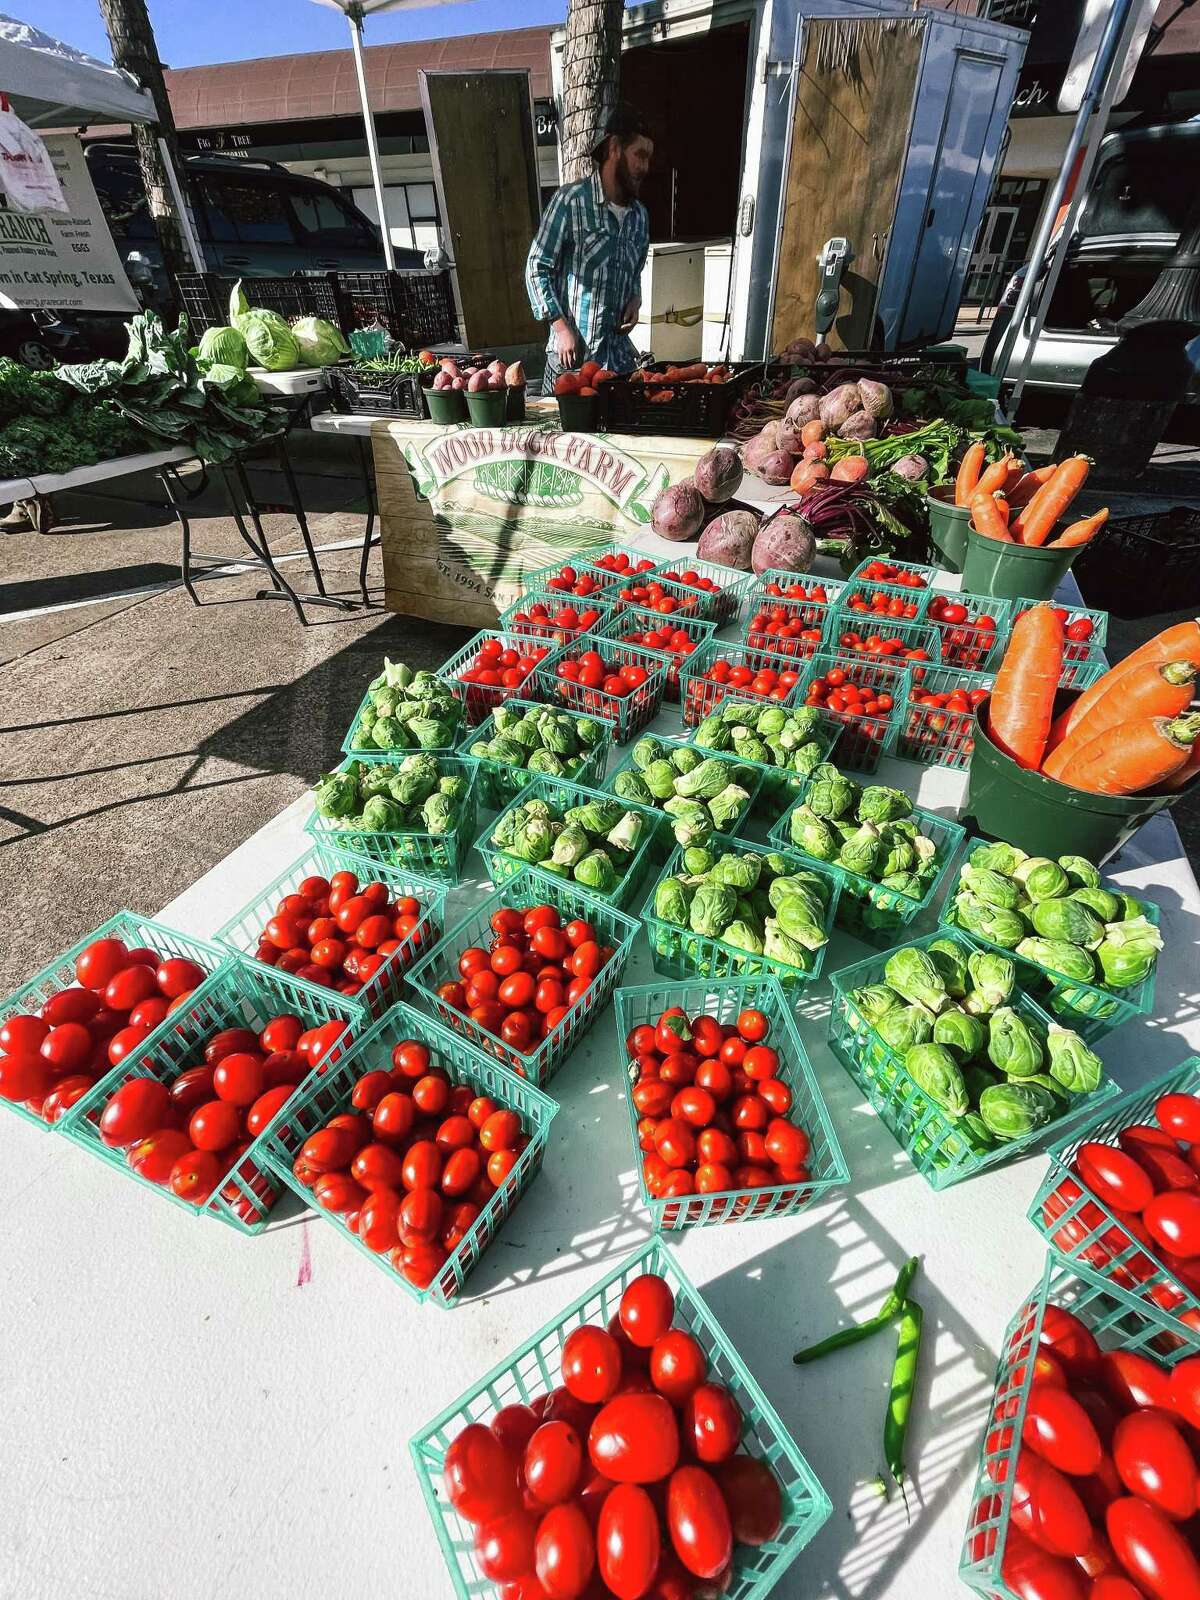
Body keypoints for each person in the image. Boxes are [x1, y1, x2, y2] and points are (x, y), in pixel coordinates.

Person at [525, 105, 653, 396]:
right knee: (559, 440)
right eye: (640, 155)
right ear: (615, 149)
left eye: (649, 158)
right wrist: (560, 328)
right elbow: (536, 267)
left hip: (618, 365)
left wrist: (636, 297)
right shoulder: (570, 202)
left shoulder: (640, 216)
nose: (645, 167)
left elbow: (636, 269)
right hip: (572, 362)